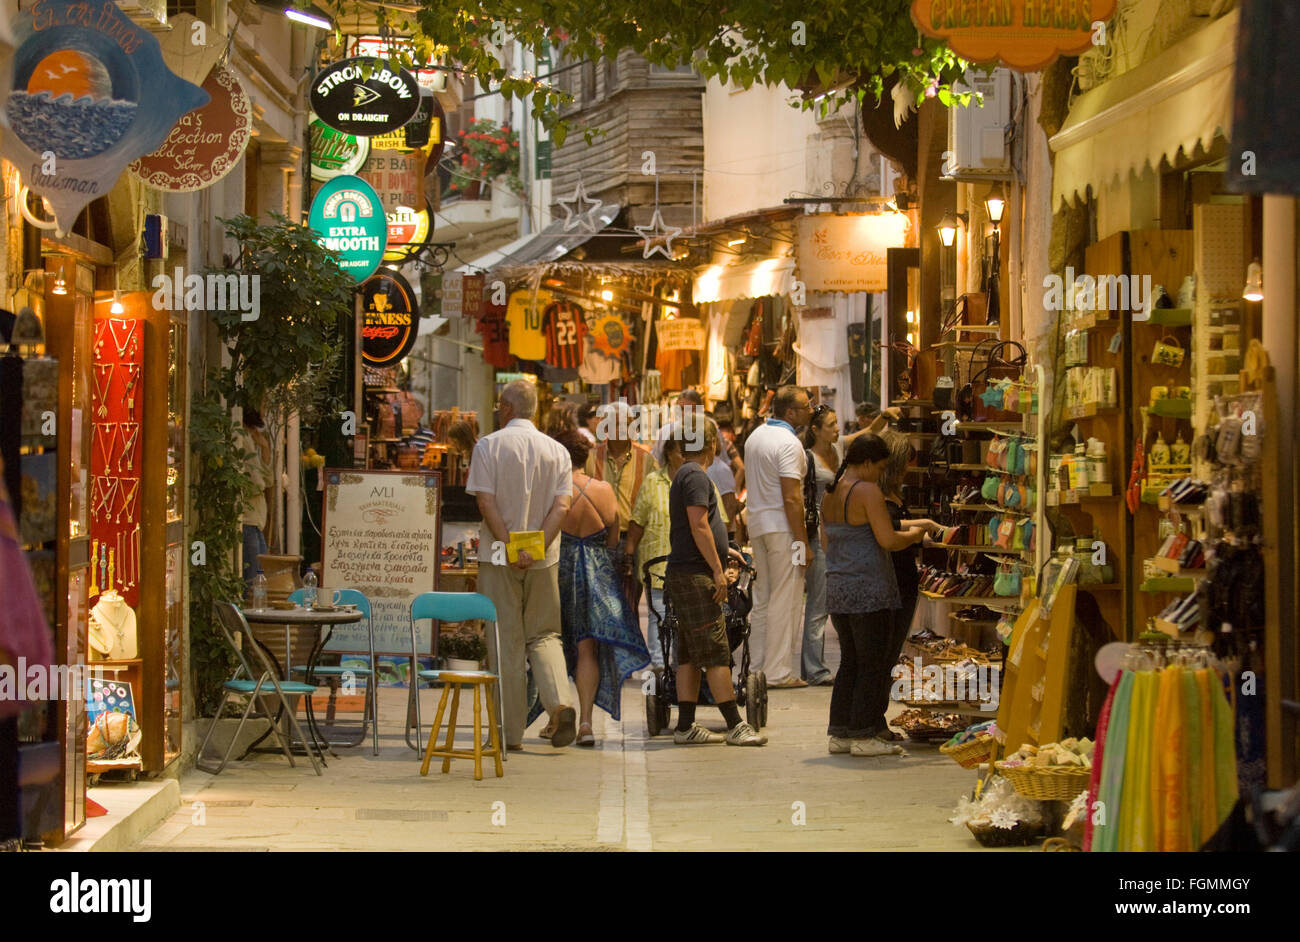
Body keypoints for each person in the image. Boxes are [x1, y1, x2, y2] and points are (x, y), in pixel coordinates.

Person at [465, 379, 578, 750]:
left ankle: (507, 734)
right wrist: (536, 547)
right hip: (545, 557)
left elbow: (486, 502)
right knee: (545, 635)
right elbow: (562, 506)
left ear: (508, 408)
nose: (497, 411)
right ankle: (559, 702)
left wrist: (510, 547)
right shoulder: (558, 451)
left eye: (500, 406)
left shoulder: (488, 447)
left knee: (505, 641)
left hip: (499, 556)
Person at [820, 434, 927, 757]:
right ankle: (864, 734)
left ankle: (840, 731)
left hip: (839, 589)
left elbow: (827, 545)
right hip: (869, 590)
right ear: (865, 463)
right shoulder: (866, 491)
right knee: (872, 663)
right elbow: (888, 539)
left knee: (851, 661)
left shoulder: (830, 495)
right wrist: (915, 535)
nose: (881, 474)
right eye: (879, 467)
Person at [665, 417, 766, 746]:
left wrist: (727, 555)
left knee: (690, 653)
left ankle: (686, 726)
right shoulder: (695, 475)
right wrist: (717, 570)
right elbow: (700, 526)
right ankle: (735, 725)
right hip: (696, 575)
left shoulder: (685, 473)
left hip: (687, 571)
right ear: (711, 445)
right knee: (715, 650)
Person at [553, 430, 650, 746]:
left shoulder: (553, 490)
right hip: (597, 574)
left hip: (560, 571)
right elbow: (613, 539)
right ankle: (585, 722)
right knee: (587, 648)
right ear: (586, 458)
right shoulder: (605, 489)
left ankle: (555, 717)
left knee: (552, 642)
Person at [743, 385, 811, 688]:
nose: (810, 411)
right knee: (787, 597)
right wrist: (803, 543)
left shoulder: (756, 436)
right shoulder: (789, 443)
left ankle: (755, 668)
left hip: (758, 525)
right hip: (785, 529)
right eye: (806, 407)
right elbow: (792, 498)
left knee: (763, 599)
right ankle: (778, 672)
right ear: (790, 412)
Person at [877, 431, 941, 740]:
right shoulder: (881, 498)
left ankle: (874, 722)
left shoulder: (886, 495)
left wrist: (925, 531)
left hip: (900, 581)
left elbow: (894, 527)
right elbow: (890, 534)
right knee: (884, 655)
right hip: (894, 583)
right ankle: (874, 723)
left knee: (886, 654)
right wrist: (920, 532)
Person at [589, 400, 657, 608]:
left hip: (633, 540)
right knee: (600, 604)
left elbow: (652, 501)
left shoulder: (645, 460)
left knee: (629, 604)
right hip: (597, 540)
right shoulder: (591, 456)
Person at [799, 404, 840, 686]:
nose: (838, 429)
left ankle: (816, 667)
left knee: (830, 602)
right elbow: (797, 498)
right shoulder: (807, 458)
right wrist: (804, 544)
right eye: (832, 424)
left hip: (839, 535)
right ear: (816, 430)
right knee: (818, 604)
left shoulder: (837, 451)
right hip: (818, 535)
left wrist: (884, 418)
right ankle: (814, 669)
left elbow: (862, 434)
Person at [237, 405, 273, 591]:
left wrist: (265, 447)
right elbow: (258, 483)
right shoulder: (241, 437)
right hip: (248, 518)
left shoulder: (251, 438)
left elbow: (268, 479)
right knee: (253, 582)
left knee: (258, 576)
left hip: (256, 520)